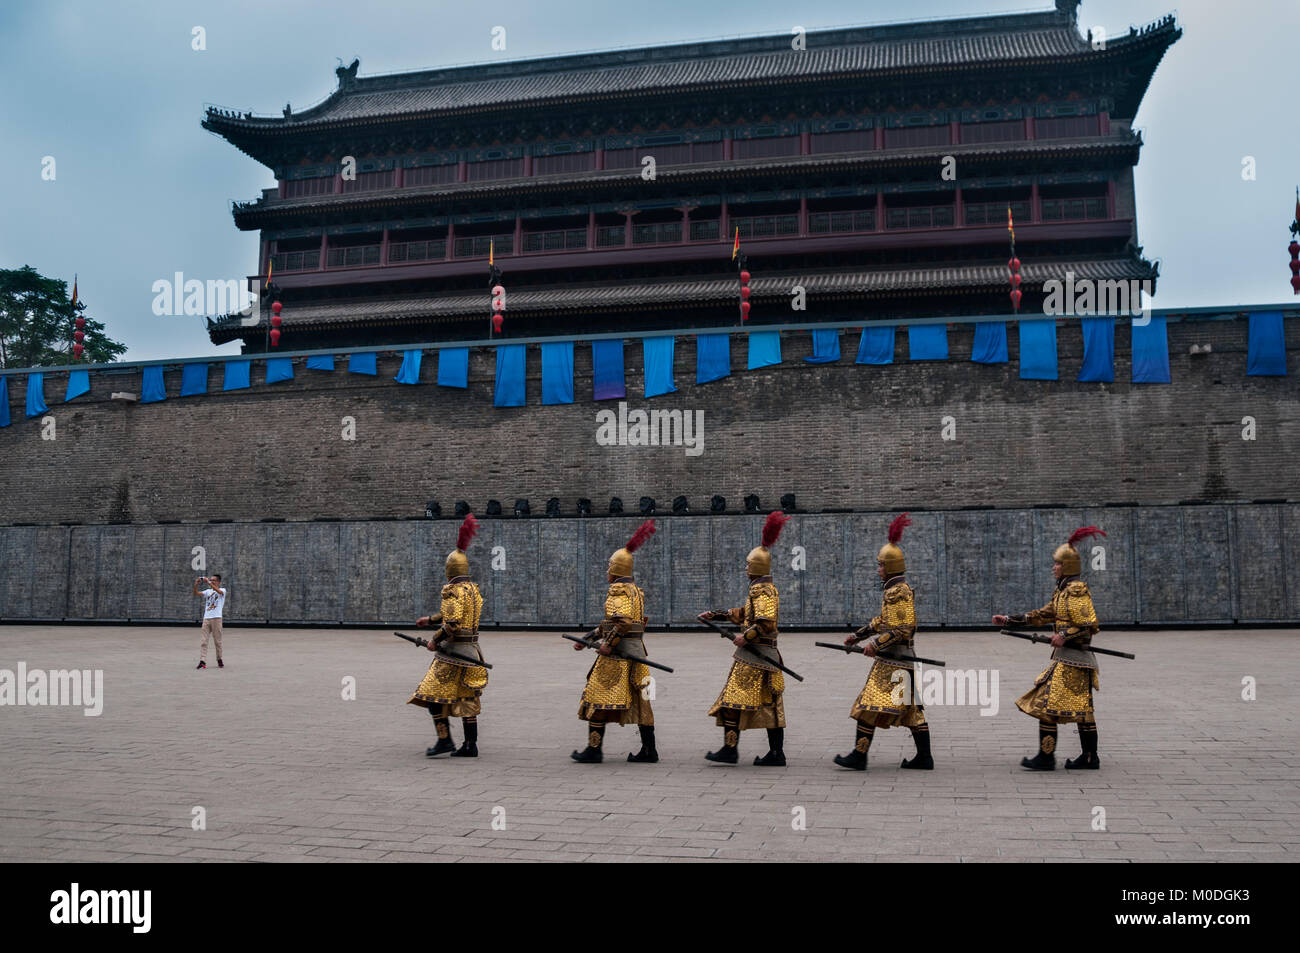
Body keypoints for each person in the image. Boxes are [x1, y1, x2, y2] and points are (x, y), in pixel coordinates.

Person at [993, 526, 1106, 771]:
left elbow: (1089, 625)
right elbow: (1041, 615)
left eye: (1056, 564)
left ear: (1066, 566)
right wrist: (1010, 619)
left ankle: (1050, 758)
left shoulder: (1075, 591)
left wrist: (1064, 636)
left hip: (1076, 659)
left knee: (1048, 704)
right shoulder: (1062, 591)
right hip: (1067, 659)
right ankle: (1086, 757)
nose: (1053, 567)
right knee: (1079, 709)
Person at [834, 514, 932, 771]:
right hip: (900, 659)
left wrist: (875, 645)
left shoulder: (897, 591)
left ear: (889, 566)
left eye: (880, 565)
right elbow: (884, 621)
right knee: (912, 711)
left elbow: (902, 628)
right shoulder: (894, 590)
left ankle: (859, 755)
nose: (877, 569)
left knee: (867, 705)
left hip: (893, 660)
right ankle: (925, 758)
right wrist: (859, 635)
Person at [698, 511, 791, 766]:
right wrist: (716, 614)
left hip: (756, 657)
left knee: (733, 702)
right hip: (758, 656)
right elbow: (745, 614)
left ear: (758, 566)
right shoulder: (760, 590)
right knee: (764, 704)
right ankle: (772, 753)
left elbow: (764, 623)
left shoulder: (763, 591)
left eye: (749, 564)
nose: (745, 568)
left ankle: (737, 751)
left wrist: (745, 638)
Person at [571, 520, 658, 764]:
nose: (606, 571)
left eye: (608, 567)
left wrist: (607, 644)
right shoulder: (636, 591)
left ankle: (594, 750)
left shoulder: (618, 591)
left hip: (619, 655)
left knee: (597, 697)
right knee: (643, 704)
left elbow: (621, 623)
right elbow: (612, 623)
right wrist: (589, 638)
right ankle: (649, 750)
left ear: (616, 569)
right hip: (638, 653)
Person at [407, 515, 488, 758]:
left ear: (449, 569)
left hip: (452, 655)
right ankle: (470, 745)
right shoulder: (472, 590)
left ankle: (444, 740)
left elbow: (452, 623)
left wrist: (435, 639)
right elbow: (454, 616)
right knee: (467, 697)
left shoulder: (452, 591)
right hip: (472, 651)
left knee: (430, 694)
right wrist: (430, 619)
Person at [192, 574, 226, 670]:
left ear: (218, 582)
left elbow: (218, 591)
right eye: (211, 580)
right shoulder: (208, 592)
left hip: (217, 618)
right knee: (204, 641)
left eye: (214, 580)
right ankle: (202, 661)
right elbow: (196, 593)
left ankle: (219, 659)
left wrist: (209, 582)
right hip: (207, 618)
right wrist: (196, 584)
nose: (212, 581)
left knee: (217, 641)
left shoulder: (223, 590)